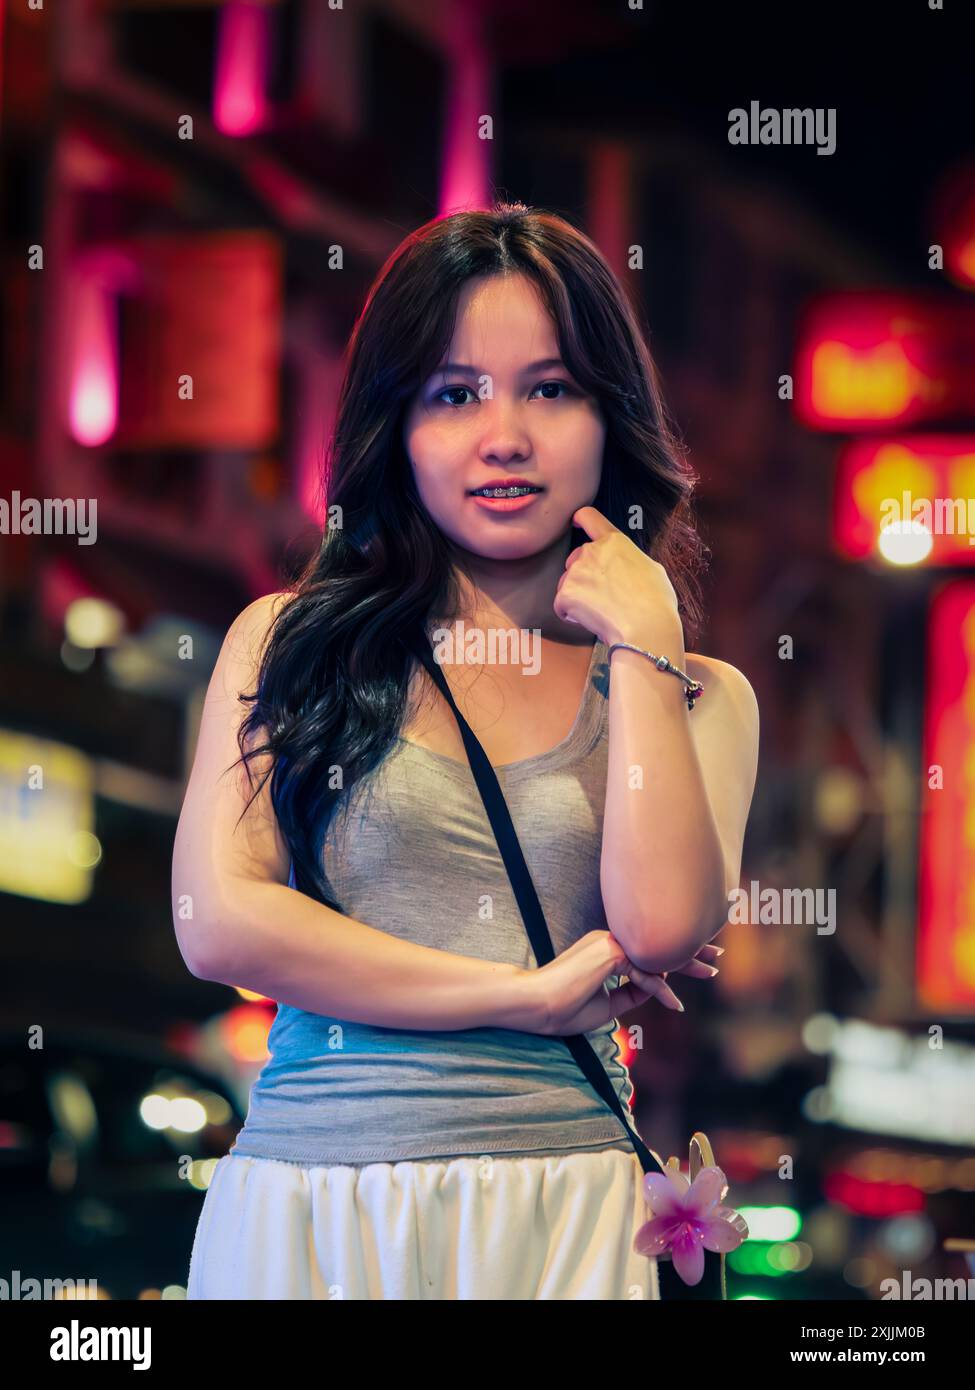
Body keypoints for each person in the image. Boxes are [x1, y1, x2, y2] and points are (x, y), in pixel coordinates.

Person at [173, 202, 760, 1300]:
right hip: (314, 1203)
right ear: (396, 428)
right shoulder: (288, 644)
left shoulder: (699, 695)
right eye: (454, 394)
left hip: (566, 1214)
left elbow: (662, 923)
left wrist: (643, 642)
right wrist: (522, 996)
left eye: (550, 388)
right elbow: (222, 923)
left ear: (609, 416)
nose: (505, 435)